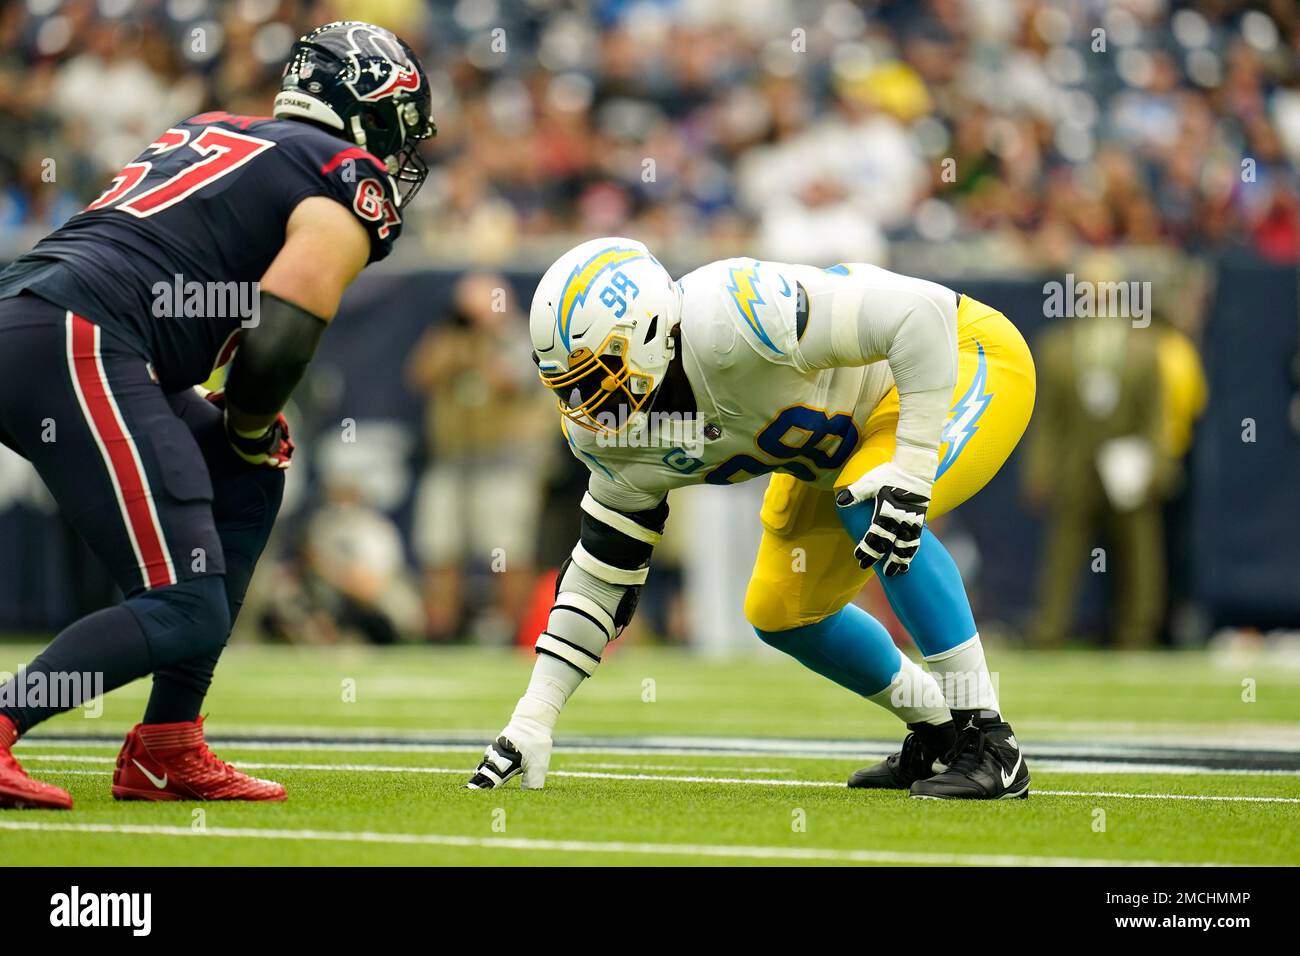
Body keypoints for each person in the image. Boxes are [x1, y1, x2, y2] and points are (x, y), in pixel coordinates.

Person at [0, 21, 436, 809]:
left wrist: (244, 438)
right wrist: (247, 419)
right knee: (186, 601)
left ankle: (168, 745)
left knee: (250, 477)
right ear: (370, 111)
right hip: (79, 336)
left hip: (49, 320)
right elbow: (281, 336)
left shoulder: (212, 127)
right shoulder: (341, 175)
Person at [469, 237, 1036, 800]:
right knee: (781, 611)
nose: (586, 406)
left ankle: (991, 742)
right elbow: (601, 578)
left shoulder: (733, 319)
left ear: (647, 333)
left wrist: (912, 469)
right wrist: (533, 717)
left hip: (957, 359)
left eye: (597, 377)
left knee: (875, 499)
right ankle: (940, 729)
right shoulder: (610, 439)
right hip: (839, 451)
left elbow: (922, 315)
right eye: (569, 387)